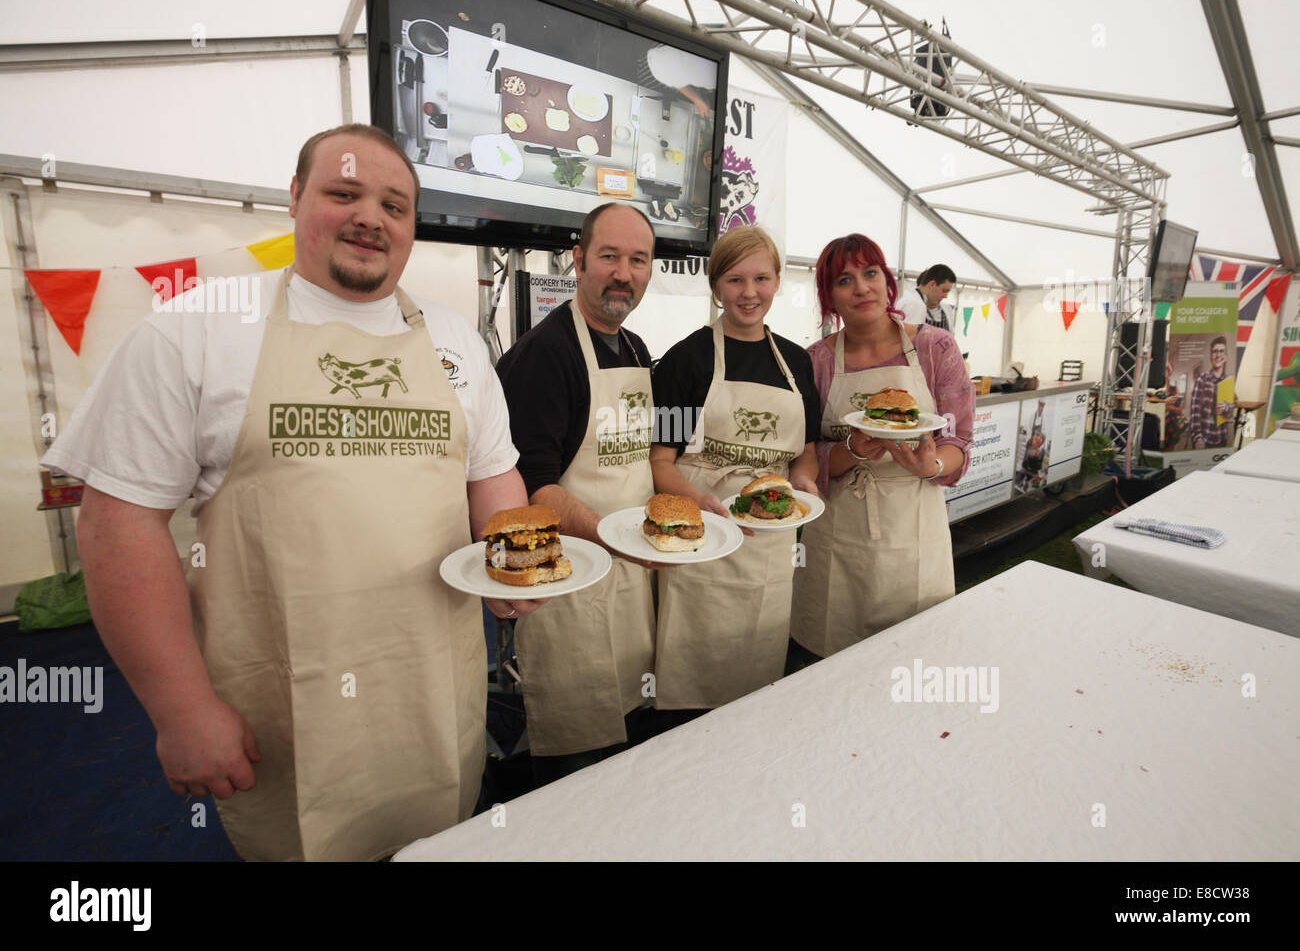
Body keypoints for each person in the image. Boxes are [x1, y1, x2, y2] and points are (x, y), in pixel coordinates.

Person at [41, 124, 541, 861]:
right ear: (295, 198)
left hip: (436, 694)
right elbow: (118, 526)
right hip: (283, 710)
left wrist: (516, 564)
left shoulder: (457, 341)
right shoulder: (196, 329)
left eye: (394, 206)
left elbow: (492, 475)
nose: (370, 217)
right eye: (344, 193)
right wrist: (181, 712)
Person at [495, 203, 660, 784]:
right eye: (609, 256)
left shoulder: (636, 349)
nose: (623, 274)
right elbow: (530, 486)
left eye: (638, 260)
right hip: (567, 581)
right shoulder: (545, 354)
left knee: (630, 736)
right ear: (579, 260)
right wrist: (614, 539)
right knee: (579, 760)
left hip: (632, 577)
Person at [648, 225, 821, 712]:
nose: (749, 293)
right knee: (693, 670)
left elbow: (806, 450)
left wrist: (803, 482)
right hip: (702, 533)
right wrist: (696, 501)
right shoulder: (685, 360)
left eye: (761, 278)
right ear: (715, 285)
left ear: (778, 281)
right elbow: (661, 460)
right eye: (735, 280)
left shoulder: (796, 363)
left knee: (756, 669)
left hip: (772, 540)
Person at [790, 234, 974, 661]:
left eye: (870, 273)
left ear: (887, 282)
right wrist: (851, 450)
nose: (861, 288)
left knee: (913, 659)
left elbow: (958, 439)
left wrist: (930, 465)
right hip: (839, 529)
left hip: (914, 525)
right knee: (832, 660)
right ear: (828, 296)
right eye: (844, 280)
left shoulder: (935, 348)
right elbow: (805, 453)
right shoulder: (814, 361)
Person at [1190, 336, 1232, 449]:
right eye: (1214, 351)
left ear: (1226, 357)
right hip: (1204, 440)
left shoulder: (1228, 381)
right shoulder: (1201, 380)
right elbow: (1195, 412)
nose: (1218, 355)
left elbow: (1230, 414)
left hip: (1222, 438)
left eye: (1221, 351)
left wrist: (1227, 408)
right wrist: (1198, 438)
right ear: (1210, 357)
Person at [898, 263, 956, 332]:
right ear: (932, 284)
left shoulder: (912, 299)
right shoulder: (915, 304)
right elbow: (911, 337)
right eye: (944, 291)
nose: (946, 296)